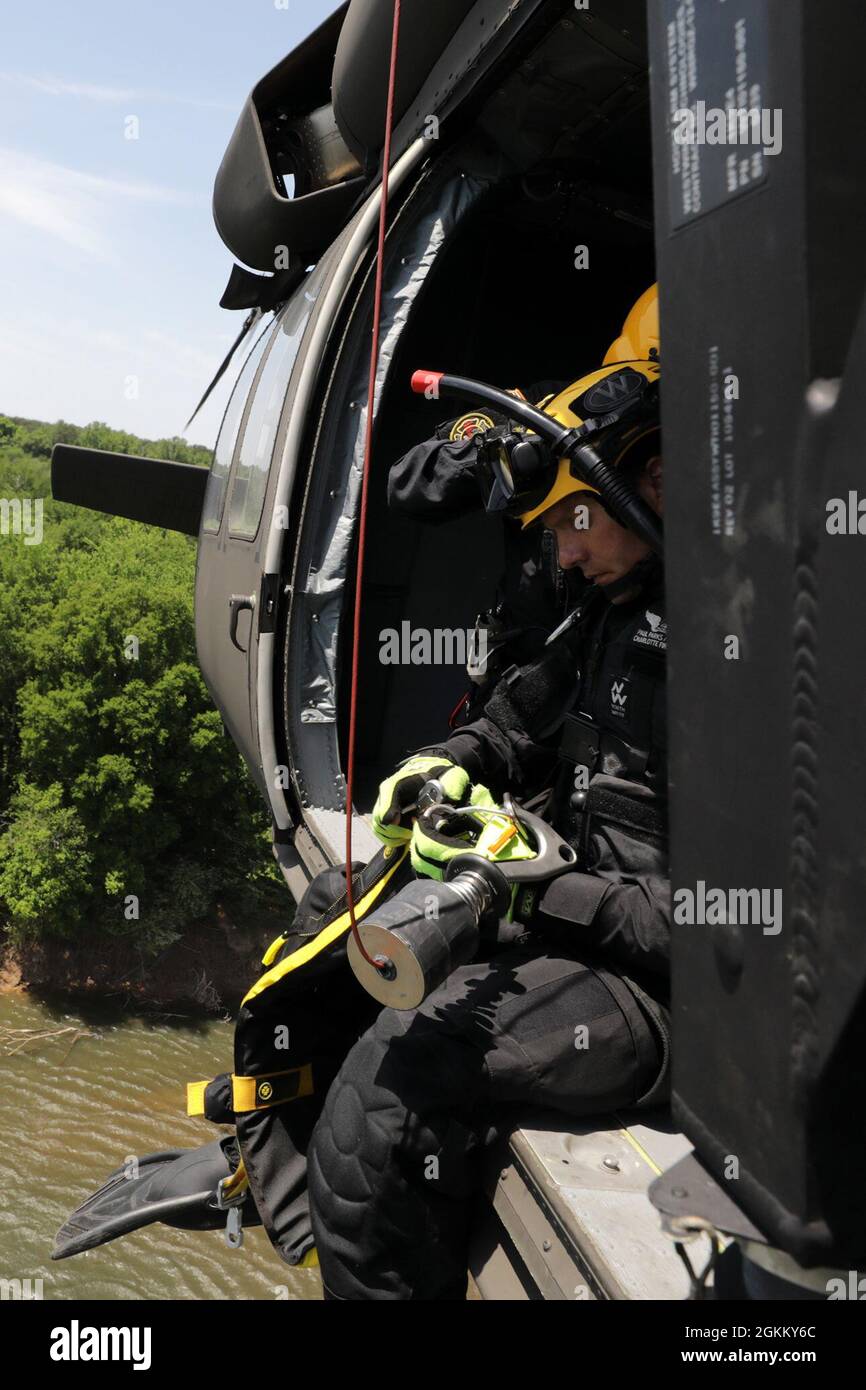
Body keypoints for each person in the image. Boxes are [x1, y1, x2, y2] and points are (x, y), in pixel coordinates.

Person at [307, 339, 672, 1300]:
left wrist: (548, 886)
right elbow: (516, 722)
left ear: (660, 481)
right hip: (583, 916)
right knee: (328, 912)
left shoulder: (747, 653)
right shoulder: (612, 610)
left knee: (401, 1079)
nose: (562, 553)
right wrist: (442, 764)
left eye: (575, 523)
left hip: (665, 993)